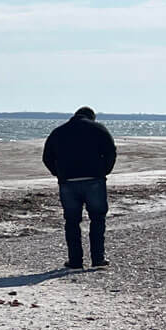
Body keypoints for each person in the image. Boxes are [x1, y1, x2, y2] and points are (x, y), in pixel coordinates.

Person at [42, 106, 117, 270]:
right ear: (92, 117)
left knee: (72, 221)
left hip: (68, 182)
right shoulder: (99, 129)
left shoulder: (59, 131)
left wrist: (58, 173)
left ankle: (75, 261)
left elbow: (47, 156)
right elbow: (111, 151)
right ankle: (98, 258)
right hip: (94, 180)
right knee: (97, 219)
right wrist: (104, 171)